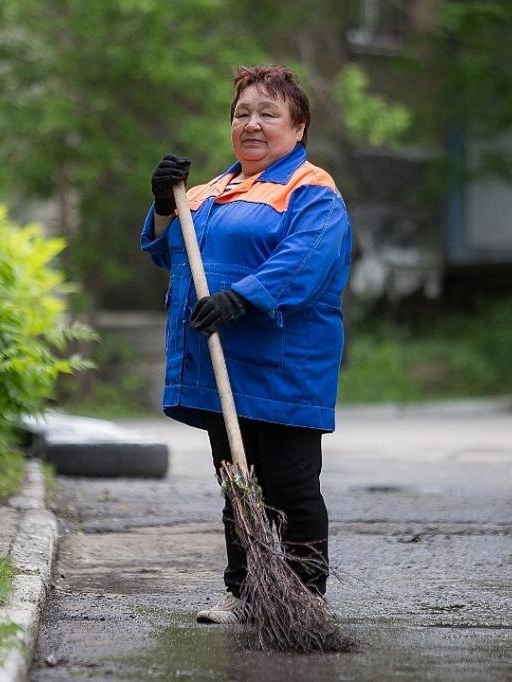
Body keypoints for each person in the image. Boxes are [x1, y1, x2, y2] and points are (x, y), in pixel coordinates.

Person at [140, 65, 353, 624]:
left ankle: (303, 596)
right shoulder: (208, 193)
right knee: (238, 483)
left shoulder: (311, 189)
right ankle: (244, 592)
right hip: (222, 368)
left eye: (268, 114)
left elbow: (308, 258)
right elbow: (169, 252)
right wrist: (166, 202)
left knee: (290, 485)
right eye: (242, 114)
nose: (252, 124)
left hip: (283, 366)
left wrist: (243, 297)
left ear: (299, 126)